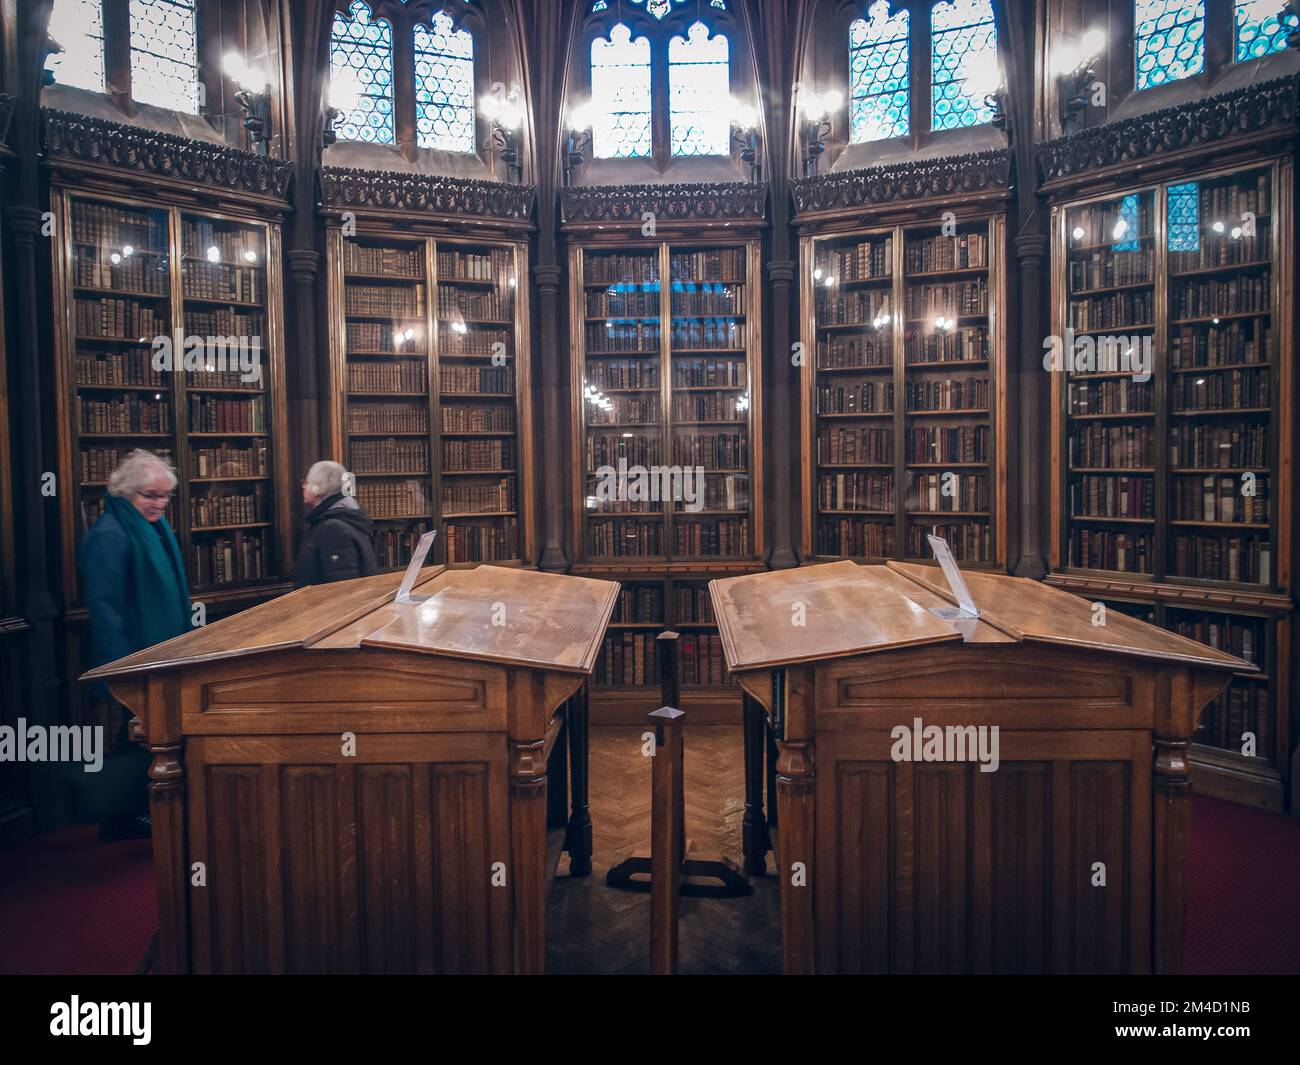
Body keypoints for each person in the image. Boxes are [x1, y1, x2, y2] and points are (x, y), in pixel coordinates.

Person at [78, 450, 192, 841]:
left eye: (164, 497)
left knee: (149, 738)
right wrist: (118, 673)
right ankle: (119, 817)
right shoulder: (108, 534)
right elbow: (106, 609)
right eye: (150, 495)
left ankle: (140, 810)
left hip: (158, 657)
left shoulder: (153, 528)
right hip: (127, 662)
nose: (158, 504)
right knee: (129, 742)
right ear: (126, 493)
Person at [293, 460, 379, 587]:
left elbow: (342, 588)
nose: (303, 486)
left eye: (306, 482)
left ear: (317, 488)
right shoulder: (341, 517)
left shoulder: (333, 529)